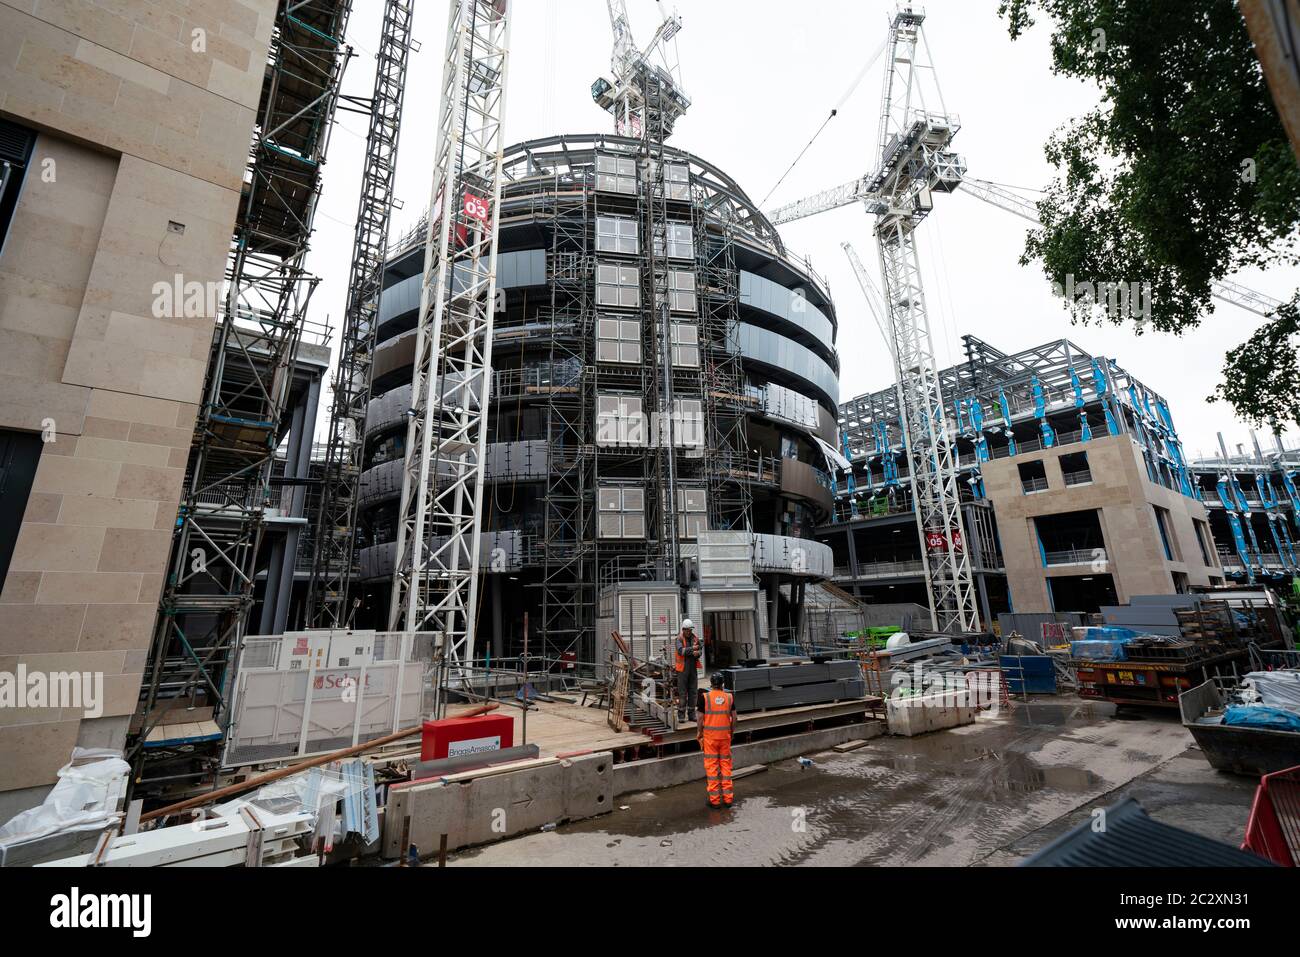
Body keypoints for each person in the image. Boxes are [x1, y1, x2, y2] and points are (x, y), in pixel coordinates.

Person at [697, 672, 736, 808]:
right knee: (726, 766)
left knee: (712, 767)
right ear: (722, 684)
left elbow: (700, 718)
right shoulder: (729, 697)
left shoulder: (705, 697)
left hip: (710, 738)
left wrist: (699, 733)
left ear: (711, 684)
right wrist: (731, 732)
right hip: (725, 737)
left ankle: (715, 801)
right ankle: (728, 799)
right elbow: (734, 718)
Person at [673, 618, 701, 721]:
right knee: (682, 692)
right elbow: (681, 651)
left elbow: (700, 649)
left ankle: (691, 714)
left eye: (691, 630)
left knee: (693, 691)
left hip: (693, 669)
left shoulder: (695, 638)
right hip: (682, 670)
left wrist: (698, 653)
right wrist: (693, 649)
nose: (690, 632)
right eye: (688, 630)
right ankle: (681, 715)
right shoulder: (679, 639)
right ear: (683, 629)